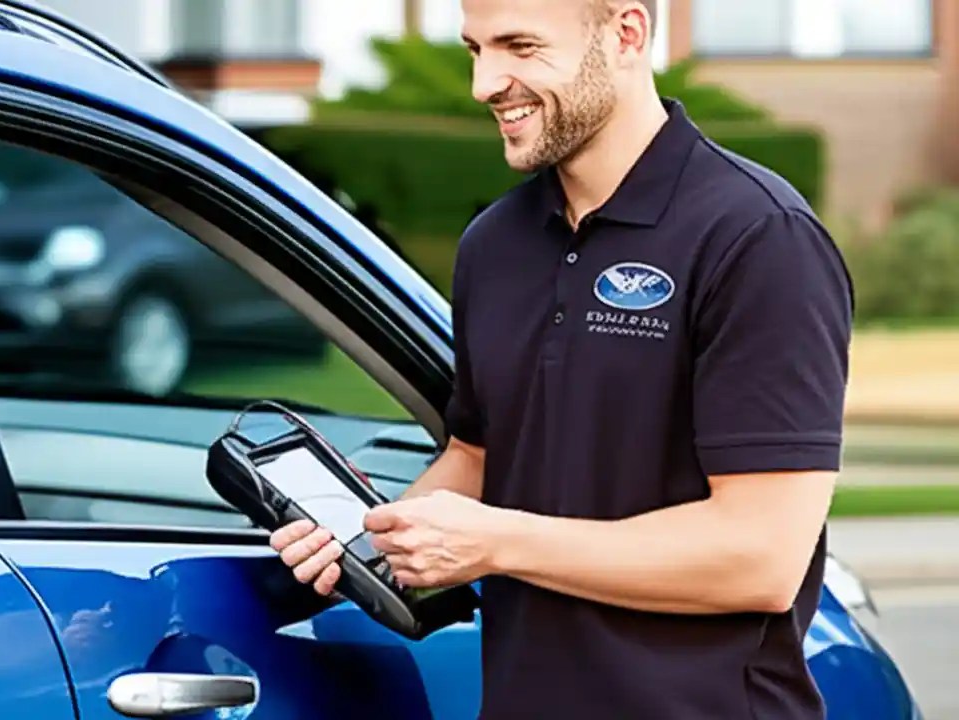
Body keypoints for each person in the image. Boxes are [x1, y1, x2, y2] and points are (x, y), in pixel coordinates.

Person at [269, 0, 853, 718]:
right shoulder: (495, 244)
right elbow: (478, 457)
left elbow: (760, 558)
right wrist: (370, 538)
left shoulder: (759, 237)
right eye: (475, 49)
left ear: (627, 34)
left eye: (519, 46)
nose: (486, 82)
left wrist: (498, 544)